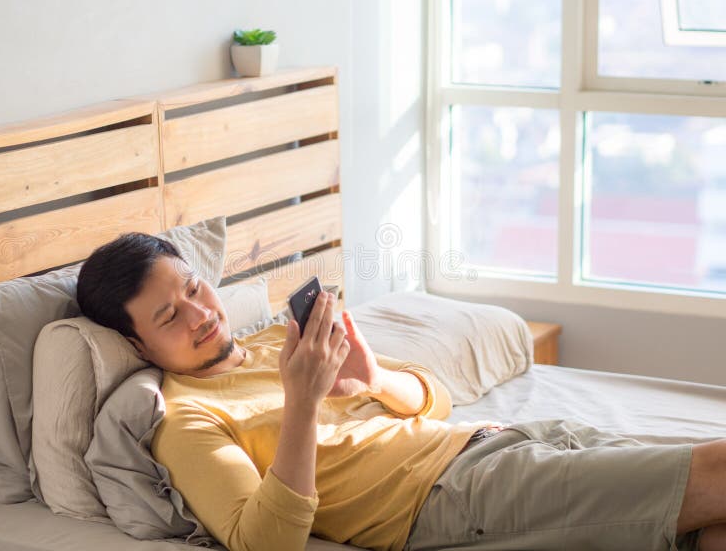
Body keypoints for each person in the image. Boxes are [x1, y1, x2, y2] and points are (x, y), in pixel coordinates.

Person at [76, 233, 726, 551]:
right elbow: (261, 543)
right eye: (169, 317)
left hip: (498, 443)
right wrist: (301, 404)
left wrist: (372, 380)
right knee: (714, 470)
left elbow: (435, 402)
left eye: (193, 289)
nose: (200, 315)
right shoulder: (186, 418)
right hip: (451, 496)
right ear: (137, 346)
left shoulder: (280, 341)